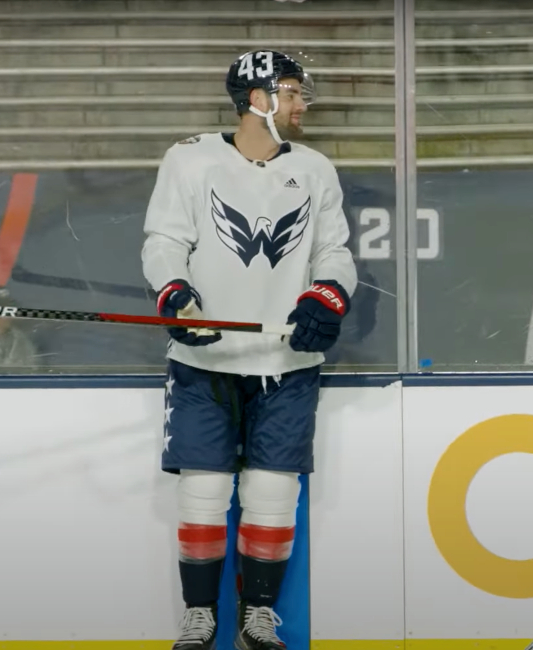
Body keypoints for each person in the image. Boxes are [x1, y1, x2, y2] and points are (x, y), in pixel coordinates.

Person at [140, 50, 357, 650]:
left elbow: (334, 251)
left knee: (273, 491)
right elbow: (164, 241)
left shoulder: (315, 168)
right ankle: (199, 615)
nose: (302, 103)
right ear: (257, 99)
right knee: (203, 490)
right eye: (291, 92)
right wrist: (175, 292)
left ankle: (257, 614)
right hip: (206, 361)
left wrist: (329, 293)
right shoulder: (188, 159)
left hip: (287, 364)